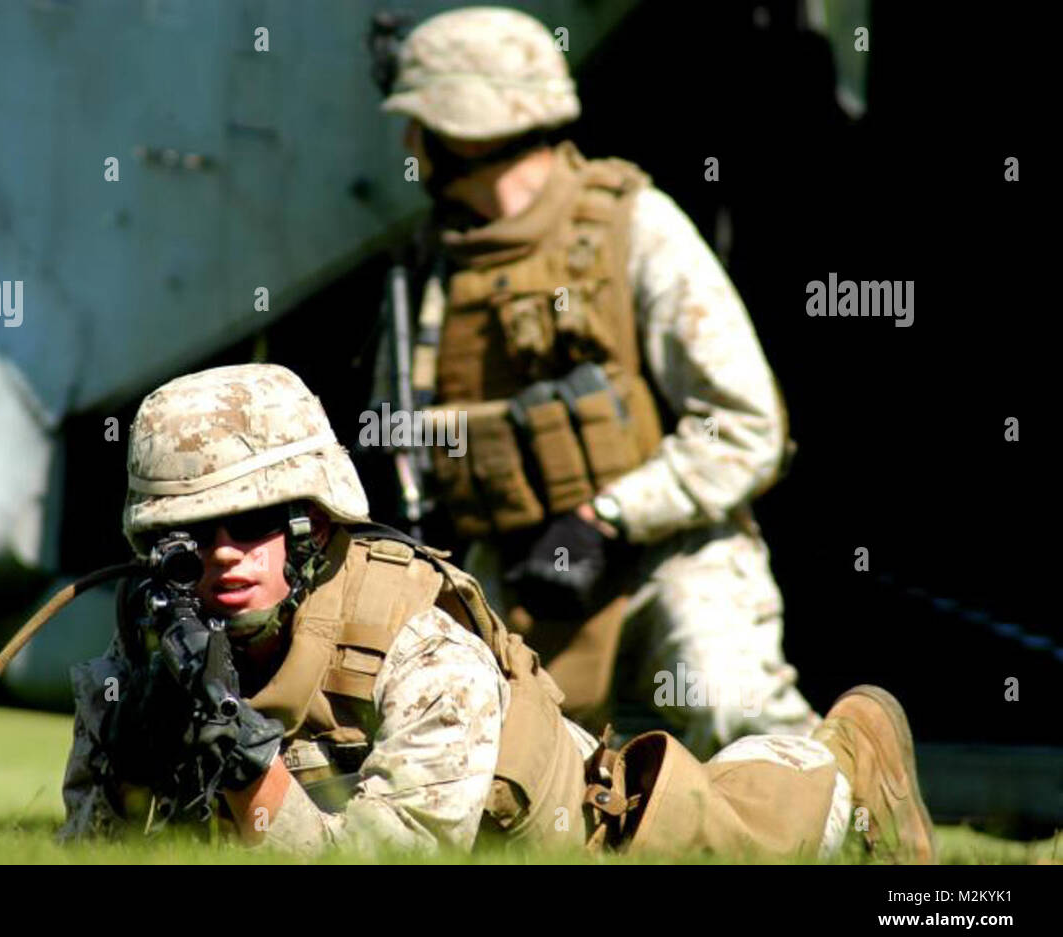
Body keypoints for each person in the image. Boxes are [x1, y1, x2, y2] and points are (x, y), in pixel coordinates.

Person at [58, 364, 935, 862]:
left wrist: (246, 770)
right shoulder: (147, 664)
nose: (219, 555)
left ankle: (849, 758)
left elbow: (391, 863)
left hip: (596, 838)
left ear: (312, 522)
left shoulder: (419, 646)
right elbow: (93, 853)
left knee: (768, 835)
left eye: (249, 525)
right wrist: (140, 758)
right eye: (186, 537)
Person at [369, 6, 817, 756]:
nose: (411, 143)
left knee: (728, 704)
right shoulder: (430, 270)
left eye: (423, 121)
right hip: (512, 571)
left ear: (469, 124)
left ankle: (852, 806)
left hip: (671, 552)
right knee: (456, 753)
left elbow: (747, 428)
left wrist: (608, 515)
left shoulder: (635, 227)